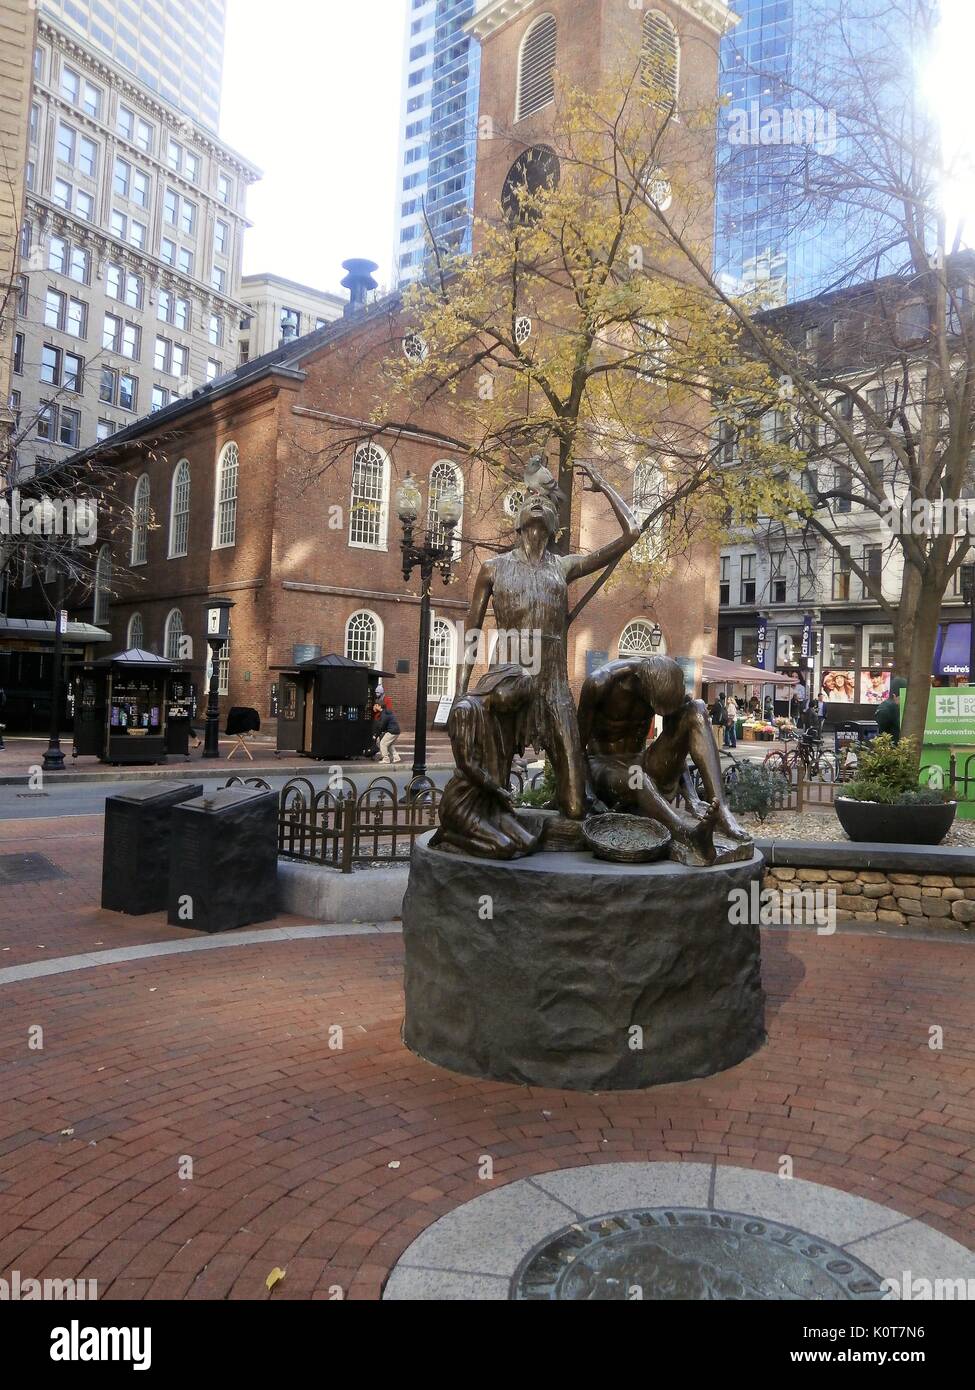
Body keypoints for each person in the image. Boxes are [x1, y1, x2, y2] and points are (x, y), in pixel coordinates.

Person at [459, 458, 640, 821]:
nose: (538, 501)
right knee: (491, 796)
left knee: (574, 806)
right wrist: (461, 693)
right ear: (517, 521)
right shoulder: (492, 568)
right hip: (506, 683)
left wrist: (602, 482)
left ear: (556, 525)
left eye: (546, 501)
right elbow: (473, 631)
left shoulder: (564, 566)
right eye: (529, 500)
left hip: (553, 686)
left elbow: (631, 533)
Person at [578, 655, 752, 865]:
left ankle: (723, 811)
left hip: (640, 762)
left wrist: (692, 798)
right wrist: (587, 795)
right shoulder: (600, 684)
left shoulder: (665, 684)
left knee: (696, 708)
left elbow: (679, 743)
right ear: (644, 688)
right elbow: (577, 745)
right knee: (638, 778)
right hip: (604, 765)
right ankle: (688, 834)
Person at [432, 664, 542, 860]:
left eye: (519, 704)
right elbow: (467, 764)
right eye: (515, 698)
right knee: (504, 848)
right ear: (500, 683)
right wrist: (499, 790)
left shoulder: (501, 717)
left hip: (491, 805)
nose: (514, 707)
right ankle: (448, 835)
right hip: (464, 802)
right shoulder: (465, 710)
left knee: (530, 843)